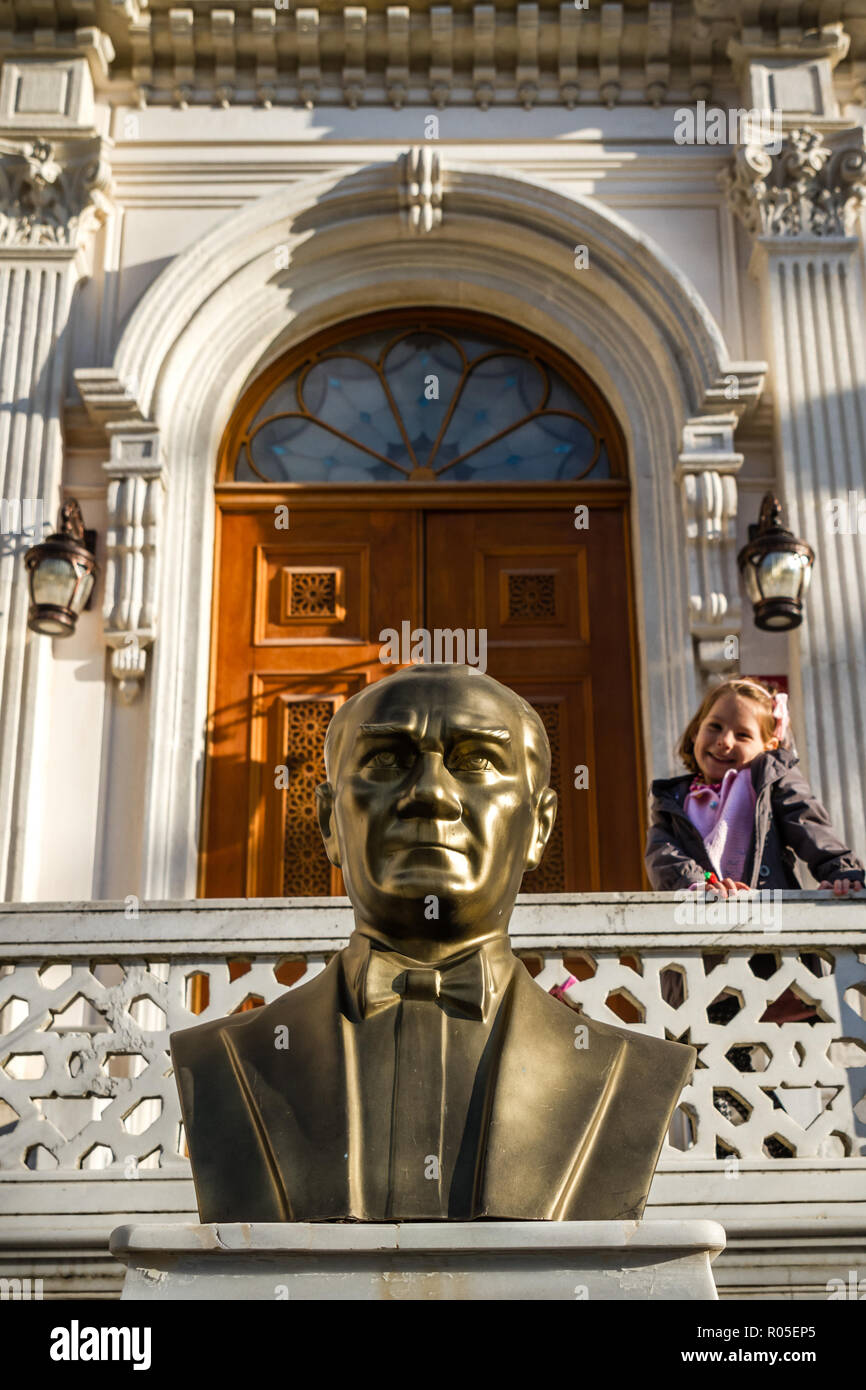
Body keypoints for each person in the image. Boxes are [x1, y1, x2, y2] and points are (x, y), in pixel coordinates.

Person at [172, 664, 694, 1223]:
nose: (430, 793)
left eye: (477, 762)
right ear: (328, 821)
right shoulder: (221, 1063)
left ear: (539, 826)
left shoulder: (628, 1072)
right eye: (386, 760)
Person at [646, 678, 865, 898]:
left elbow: (808, 826)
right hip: (704, 915)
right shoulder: (672, 799)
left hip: (767, 914)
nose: (725, 741)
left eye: (743, 735)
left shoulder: (770, 782)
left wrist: (840, 870)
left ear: (768, 747)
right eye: (714, 727)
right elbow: (664, 854)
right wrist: (699, 884)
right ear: (696, 731)